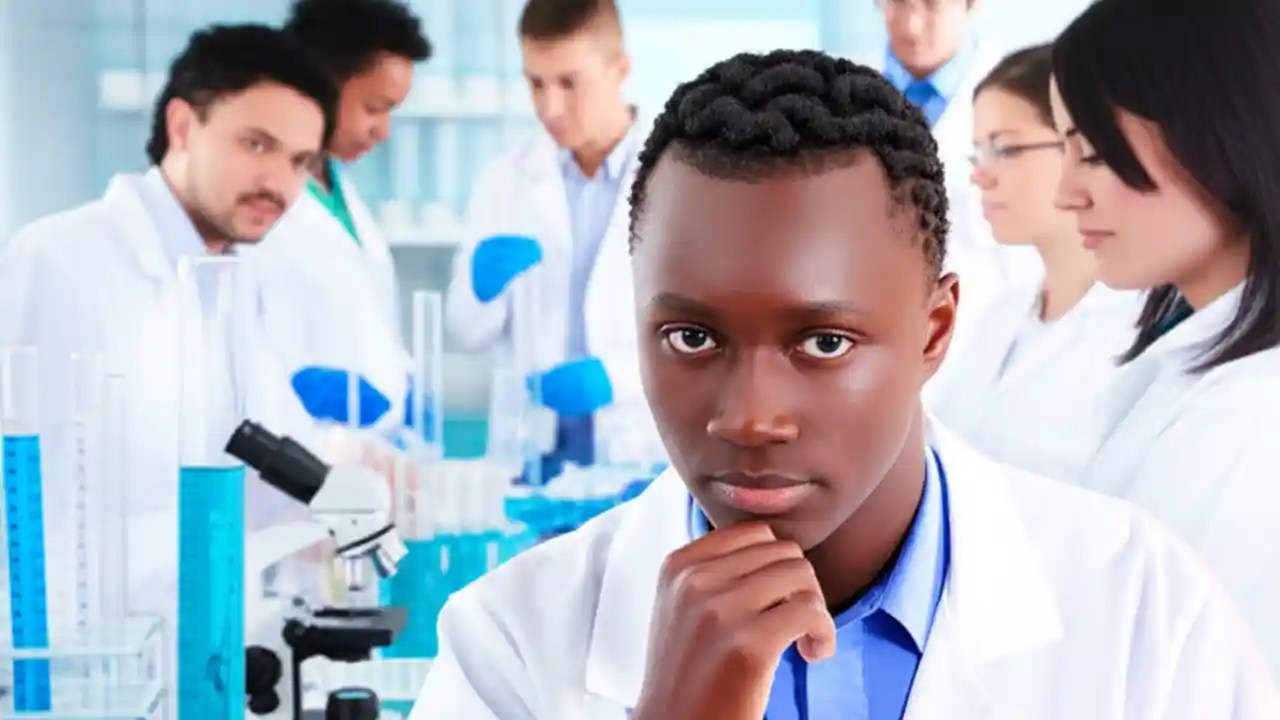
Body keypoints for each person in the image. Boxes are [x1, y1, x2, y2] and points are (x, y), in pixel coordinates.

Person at [408, 50, 1279, 719]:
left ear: (934, 330)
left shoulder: (1144, 611)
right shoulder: (510, 643)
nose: (751, 418)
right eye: (690, 336)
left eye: (824, 341)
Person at [0, 24, 336, 707]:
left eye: (301, 161)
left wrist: (352, 470)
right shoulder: (62, 259)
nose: (280, 182)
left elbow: (272, 470)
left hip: (192, 659)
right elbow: (37, 519)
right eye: (256, 144)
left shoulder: (230, 282)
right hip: (77, 679)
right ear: (184, 125)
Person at [1051, 0, 1280, 671]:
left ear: (1221, 135)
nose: (1066, 193)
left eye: (1091, 152)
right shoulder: (1189, 358)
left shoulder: (1258, 417)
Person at [444, 0, 661, 481]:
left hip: (638, 451)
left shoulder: (679, 177)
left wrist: (618, 378)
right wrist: (481, 291)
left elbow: (711, 331)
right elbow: (466, 333)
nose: (549, 107)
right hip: (531, 459)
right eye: (535, 83)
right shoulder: (506, 180)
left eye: (569, 83)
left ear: (619, 69)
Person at [923, 44, 1141, 482]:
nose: (980, 175)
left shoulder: (1139, 333)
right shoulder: (1000, 316)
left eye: (1005, 150)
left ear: (1082, 146)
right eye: (979, 152)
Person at [250, 0, 432, 432]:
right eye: (374, 108)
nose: (383, 131)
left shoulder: (338, 189)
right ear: (320, 85)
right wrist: (289, 393)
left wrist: (404, 386)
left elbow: (367, 322)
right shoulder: (256, 200)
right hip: (300, 452)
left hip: (369, 451)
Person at [858, 0, 1041, 397]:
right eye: (897, 5)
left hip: (979, 354)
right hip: (866, 345)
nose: (911, 25)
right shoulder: (843, 91)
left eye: (931, 6)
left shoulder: (1025, 96)